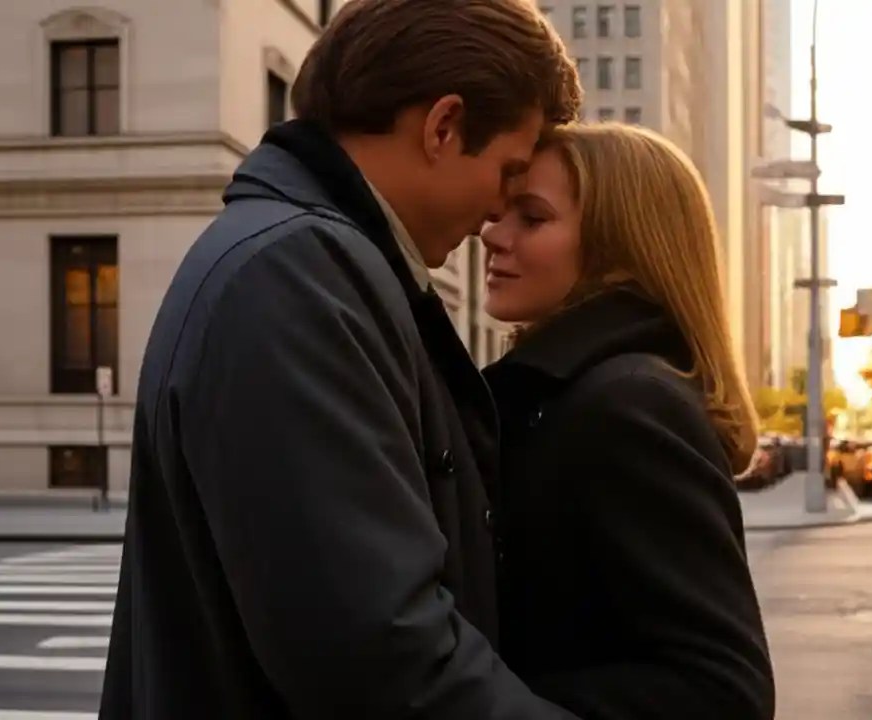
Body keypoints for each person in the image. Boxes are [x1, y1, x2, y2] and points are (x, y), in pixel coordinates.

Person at [100, 1, 582, 717]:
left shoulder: (307, 264)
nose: (495, 209)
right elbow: (381, 659)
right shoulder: (295, 277)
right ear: (443, 127)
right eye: (507, 170)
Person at [480, 124, 776, 719]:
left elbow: (724, 692)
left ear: (617, 254)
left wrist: (478, 702)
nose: (492, 233)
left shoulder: (626, 406)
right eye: (502, 212)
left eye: (531, 219)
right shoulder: (571, 391)